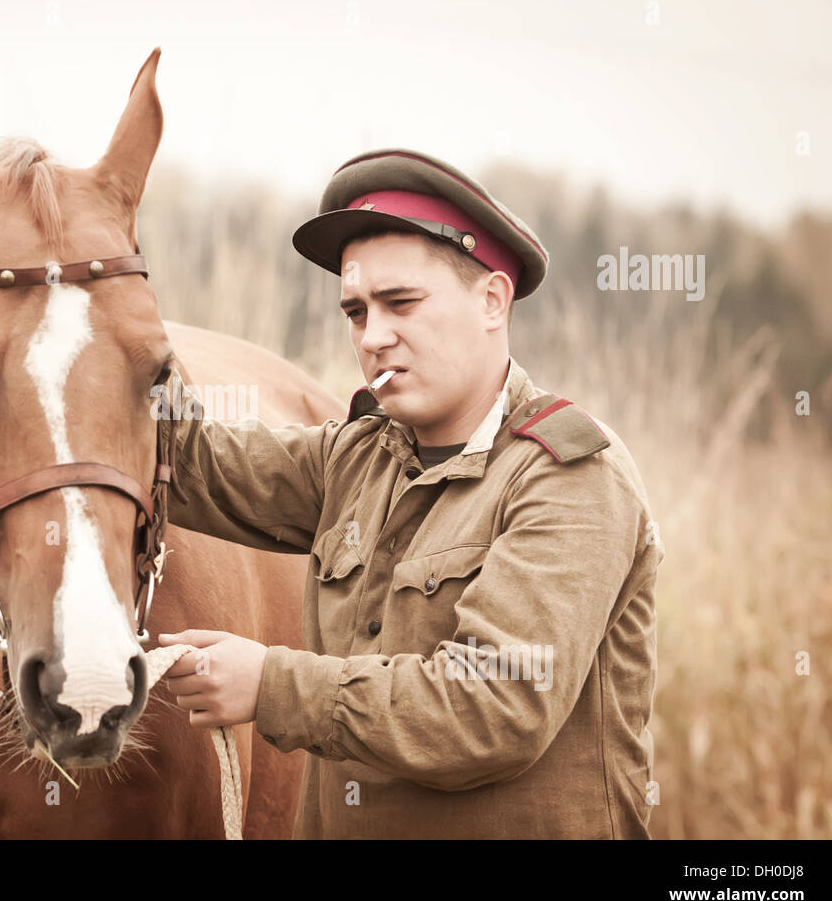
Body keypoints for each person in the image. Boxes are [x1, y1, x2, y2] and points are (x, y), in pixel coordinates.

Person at [157, 147, 662, 838]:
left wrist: (269, 684)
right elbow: (184, 462)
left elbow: (493, 710)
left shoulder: (569, 478)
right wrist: (109, 310)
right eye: (357, 313)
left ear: (492, 301)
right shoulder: (358, 459)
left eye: (401, 304)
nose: (374, 337)